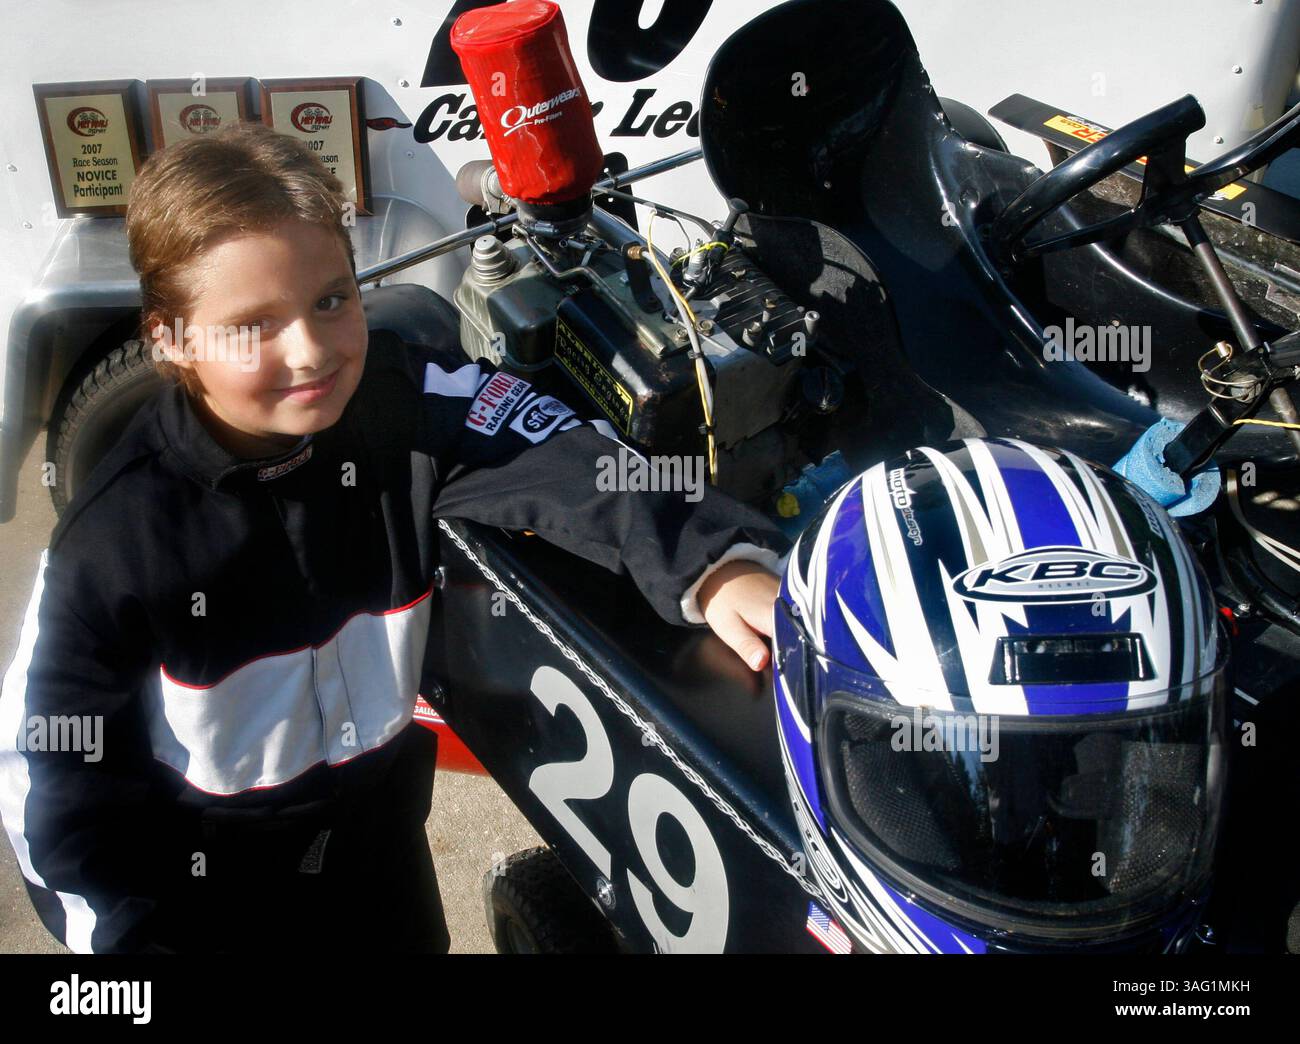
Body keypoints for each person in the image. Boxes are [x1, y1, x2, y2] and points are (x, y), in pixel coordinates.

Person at [0, 122, 788, 953]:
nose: (309, 351)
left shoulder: (399, 400)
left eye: (332, 300)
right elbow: (51, 785)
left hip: (383, 878)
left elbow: (558, 447)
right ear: (169, 339)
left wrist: (709, 559)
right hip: (210, 914)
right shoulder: (111, 545)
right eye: (253, 326)